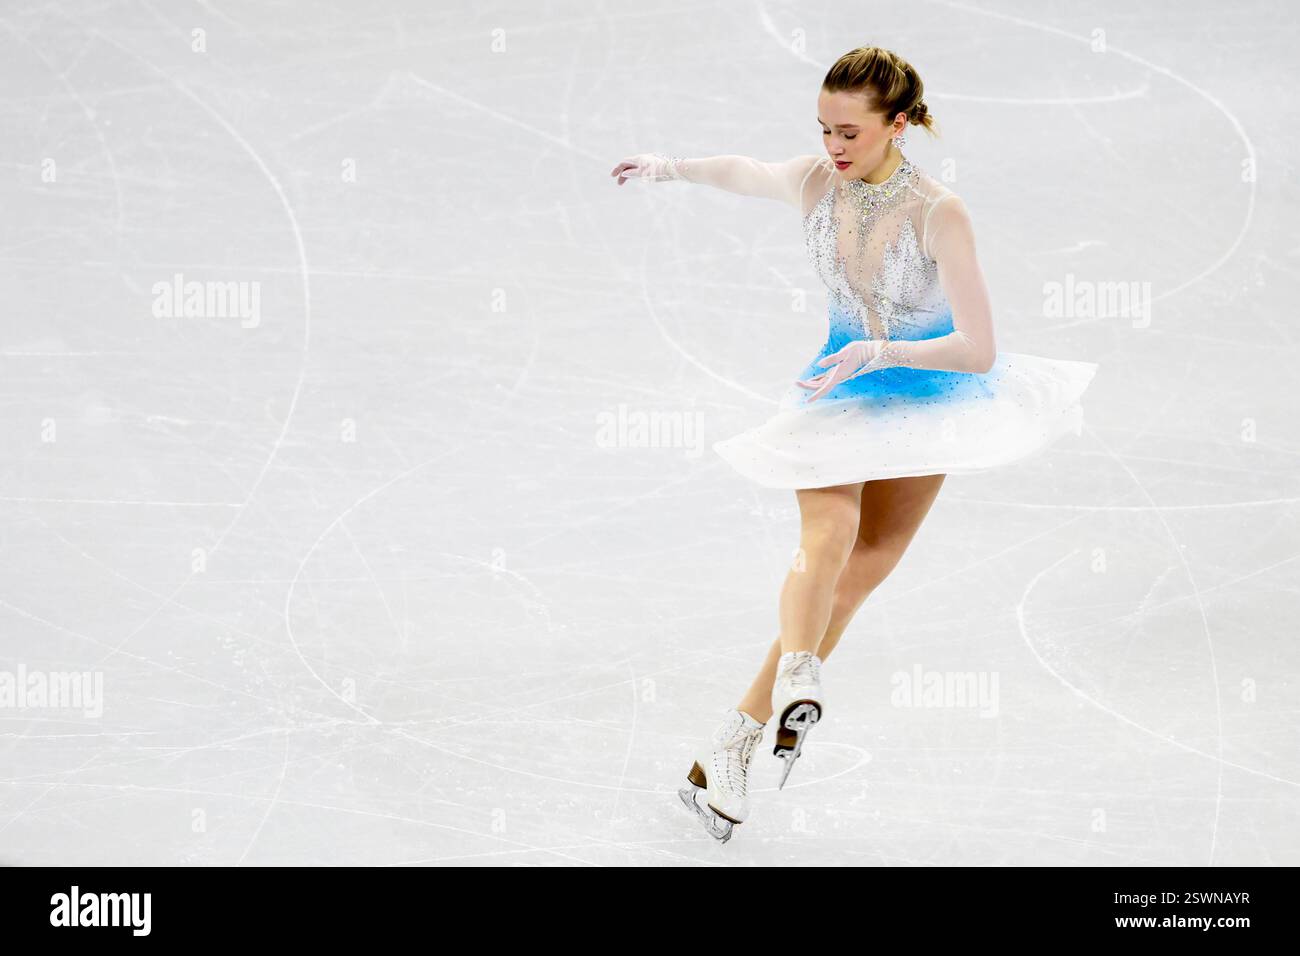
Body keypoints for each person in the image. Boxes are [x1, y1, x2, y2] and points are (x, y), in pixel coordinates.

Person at [610, 46, 1098, 843]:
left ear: (898, 124)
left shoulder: (942, 212)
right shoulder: (813, 180)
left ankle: (731, 744)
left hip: (928, 397)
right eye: (824, 130)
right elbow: (746, 170)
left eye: (849, 132)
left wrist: (888, 352)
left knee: (867, 562)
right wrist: (672, 168)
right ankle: (798, 677)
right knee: (827, 535)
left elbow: (978, 348)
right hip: (838, 391)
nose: (833, 148)